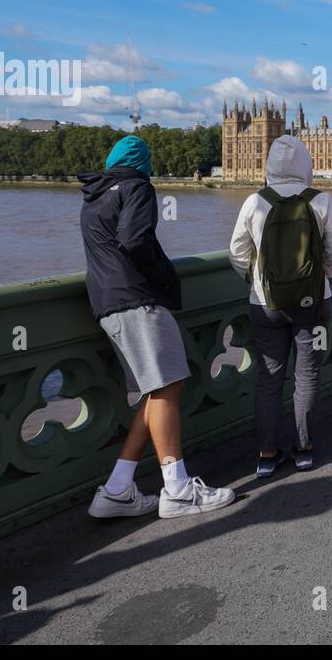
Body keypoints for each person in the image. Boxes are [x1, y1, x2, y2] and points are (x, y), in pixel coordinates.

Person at [82, 135, 236, 519]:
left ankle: (117, 490)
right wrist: (164, 274)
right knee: (169, 387)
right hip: (138, 300)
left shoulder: (93, 197)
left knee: (157, 389)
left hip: (105, 303)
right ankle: (178, 490)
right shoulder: (136, 187)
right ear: (142, 163)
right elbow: (135, 241)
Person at [229, 135, 332, 477]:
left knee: (268, 377)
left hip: (264, 304)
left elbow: (236, 254)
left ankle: (266, 453)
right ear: (305, 165)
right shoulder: (321, 201)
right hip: (313, 304)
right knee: (307, 374)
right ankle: (305, 449)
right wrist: (319, 278)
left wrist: (257, 282)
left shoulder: (254, 201)